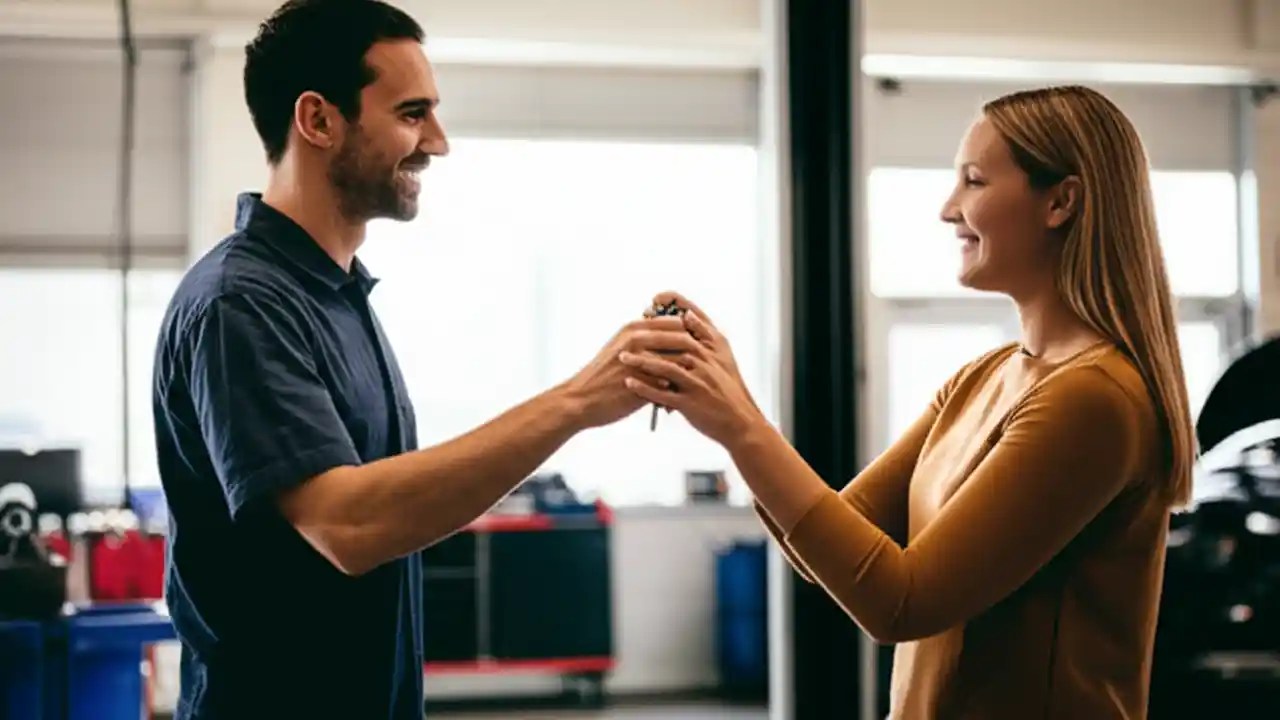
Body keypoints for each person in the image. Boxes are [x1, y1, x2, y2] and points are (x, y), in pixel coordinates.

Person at [150, 1, 680, 718]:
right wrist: (579, 401)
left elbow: (389, 504)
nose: (438, 142)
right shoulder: (240, 303)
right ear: (318, 120)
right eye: (411, 113)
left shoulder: (337, 296)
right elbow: (348, 526)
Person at [622, 85, 1195, 719]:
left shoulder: (1093, 400)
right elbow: (831, 547)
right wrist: (731, 400)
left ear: (1061, 201)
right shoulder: (984, 377)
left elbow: (900, 602)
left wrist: (740, 425)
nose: (949, 210)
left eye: (974, 181)